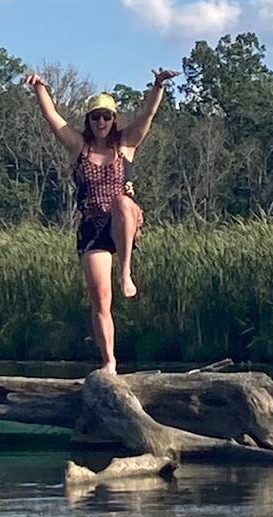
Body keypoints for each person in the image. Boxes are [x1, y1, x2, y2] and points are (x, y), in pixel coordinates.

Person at [26, 68, 179, 374]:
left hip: (123, 223)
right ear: (89, 120)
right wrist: (40, 88)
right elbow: (53, 118)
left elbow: (148, 115)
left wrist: (158, 85)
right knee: (100, 300)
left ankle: (125, 272)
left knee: (123, 203)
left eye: (106, 117)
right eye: (96, 117)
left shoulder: (126, 145)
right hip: (92, 228)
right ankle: (109, 362)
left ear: (113, 120)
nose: (101, 123)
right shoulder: (78, 148)